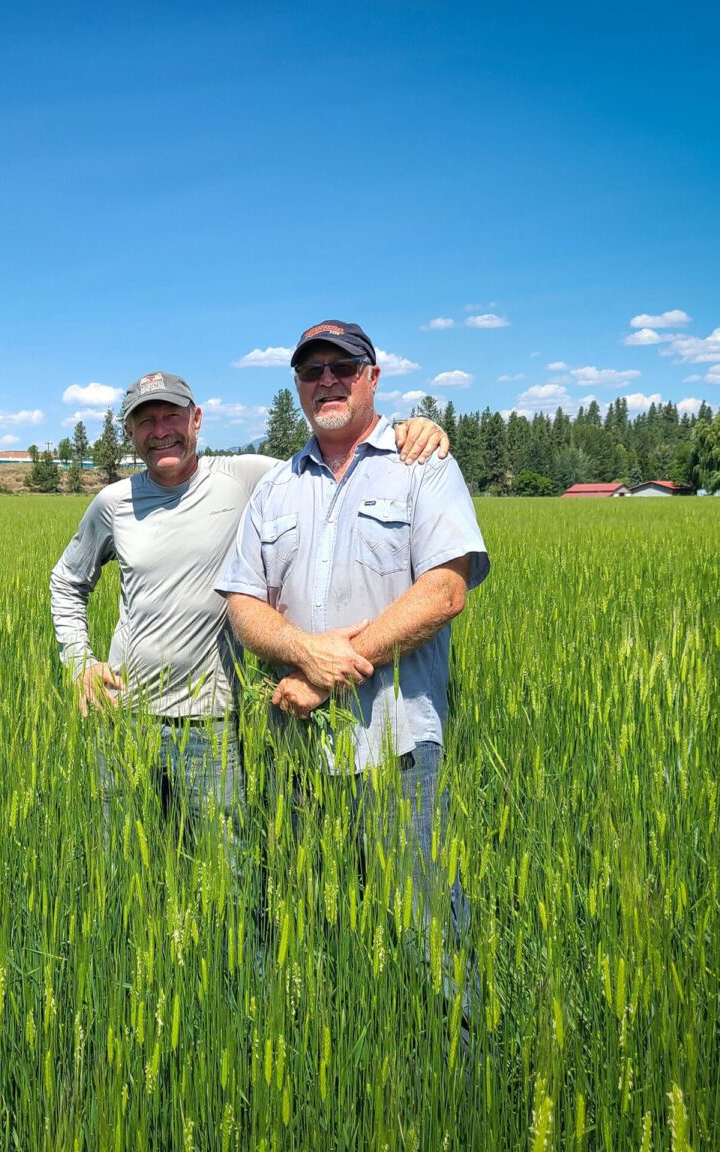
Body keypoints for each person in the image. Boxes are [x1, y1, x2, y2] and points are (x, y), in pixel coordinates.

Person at [49, 369, 448, 856]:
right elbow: (66, 582)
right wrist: (79, 662)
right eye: (145, 421)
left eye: (171, 416)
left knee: (226, 871)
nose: (160, 431)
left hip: (214, 726)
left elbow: (337, 460)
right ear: (130, 432)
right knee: (122, 865)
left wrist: (408, 430)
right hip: (123, 718)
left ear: (197, 420)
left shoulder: (248, 477)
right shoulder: (113, 504)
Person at [215, 320, 489, 973]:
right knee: (302, 930)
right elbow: (242, 603)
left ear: (373, 377)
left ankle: (453, 1043)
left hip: (397, 750)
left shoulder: (422, 465)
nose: (327, 381)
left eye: (343, 367)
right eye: (312, 371)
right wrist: (302, 650)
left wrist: (324, 674)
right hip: (296, 751)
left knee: (427, 935)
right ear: (298, 385)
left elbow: (444, 592)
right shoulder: (276, 486)